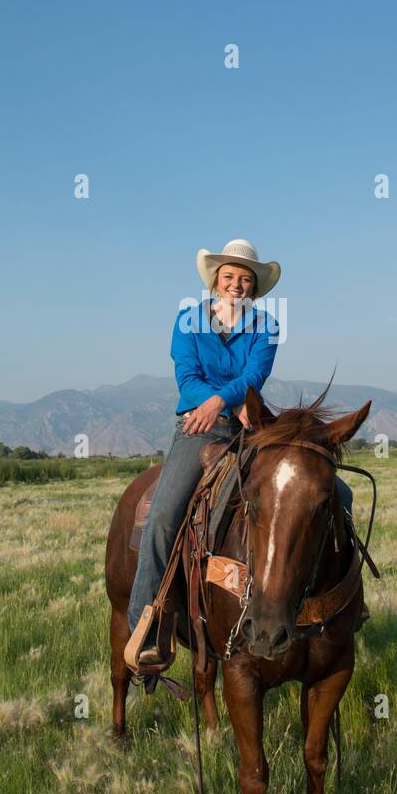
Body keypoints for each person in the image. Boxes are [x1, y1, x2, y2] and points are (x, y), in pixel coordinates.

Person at [127, 239, 282, 666]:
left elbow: (255, 375)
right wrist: (214, 404)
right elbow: (186, 375)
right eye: (230, 276)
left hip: (249, 423)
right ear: (216, 281)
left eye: (245, 279)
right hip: (198, 426)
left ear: (254, 287)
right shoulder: (188, 321)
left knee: (300, 492)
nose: (237, 284)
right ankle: (145, 625)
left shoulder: (266, 327)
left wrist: (226, 401)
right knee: (161, 516)